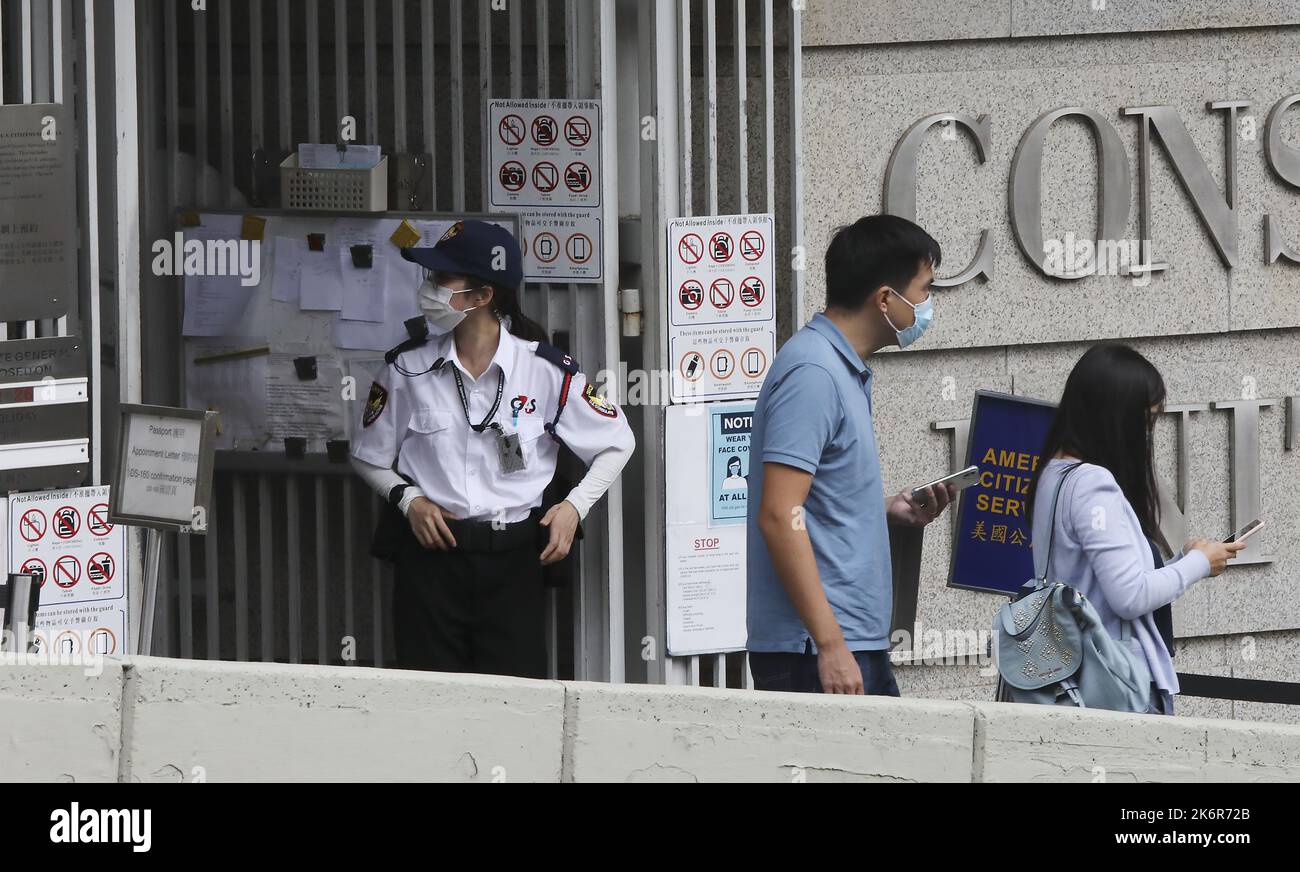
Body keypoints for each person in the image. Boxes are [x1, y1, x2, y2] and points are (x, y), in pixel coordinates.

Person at [350, 220, 635, 678]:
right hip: (431, 563)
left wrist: (573, 508)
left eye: (443, 280)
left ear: (482, 297)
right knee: (428, 701)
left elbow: (618, 441)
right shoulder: (408, 368)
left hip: (515, 563)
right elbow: (367, 455)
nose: (429, 289)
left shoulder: (543, 371)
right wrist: (409, 500)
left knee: (514, 706)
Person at [746, 214, 956, 696]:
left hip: (846, 643)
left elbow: (810, 507)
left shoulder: (842, 369)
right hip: (817, 652)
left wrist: (885, 512)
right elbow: (780, 514)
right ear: (885, 299)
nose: (926, 305)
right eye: (923, 290)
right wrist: (831, 645)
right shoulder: (814, 373)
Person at [1028, 343, 1245, 715]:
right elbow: (1129, 596)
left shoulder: (1054, 473)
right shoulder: (1094, 484)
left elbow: (1097, 580)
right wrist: (1196, 565)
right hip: (1117, 683)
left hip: (1074, 674)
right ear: (1116, 417)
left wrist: (1185, 558)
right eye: (1146, 421)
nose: (1148, 435)